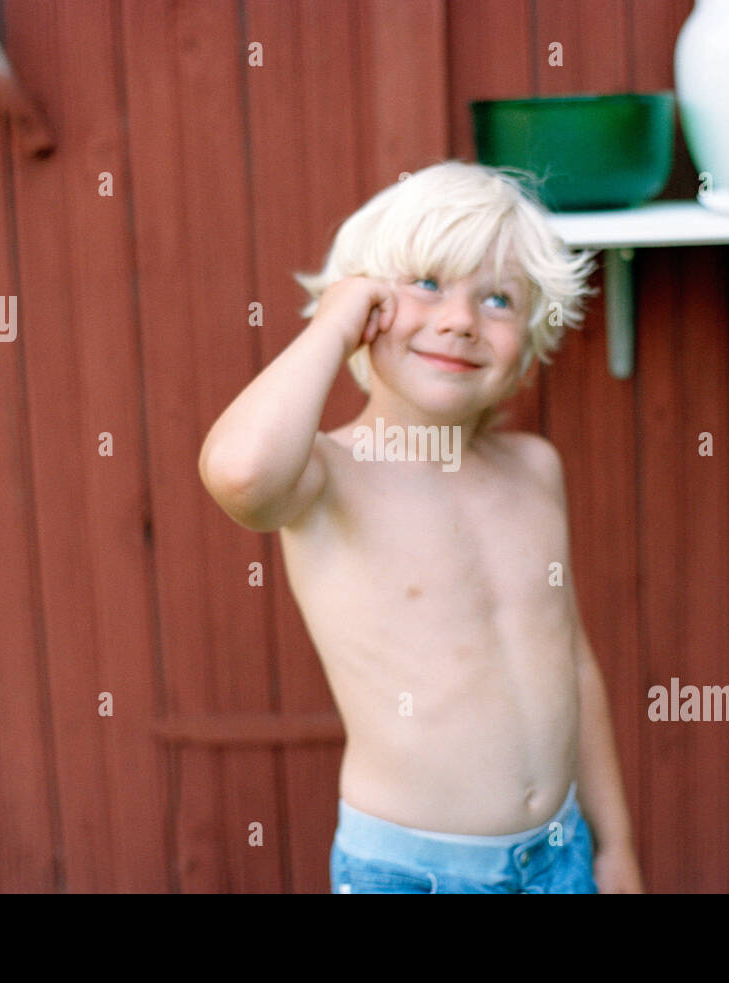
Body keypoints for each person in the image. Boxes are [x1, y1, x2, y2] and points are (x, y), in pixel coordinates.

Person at [199, 161, 643, 894]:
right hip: (411, 873)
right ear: (368, 305)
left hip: (562, 854)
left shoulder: (534, 468)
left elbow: (574, 662)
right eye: (427, 284)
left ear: (530, 338)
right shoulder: (327, 476)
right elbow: (240, 474)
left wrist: (615, 843)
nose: (461, 319)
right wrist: (335, 323)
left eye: (498, 299)